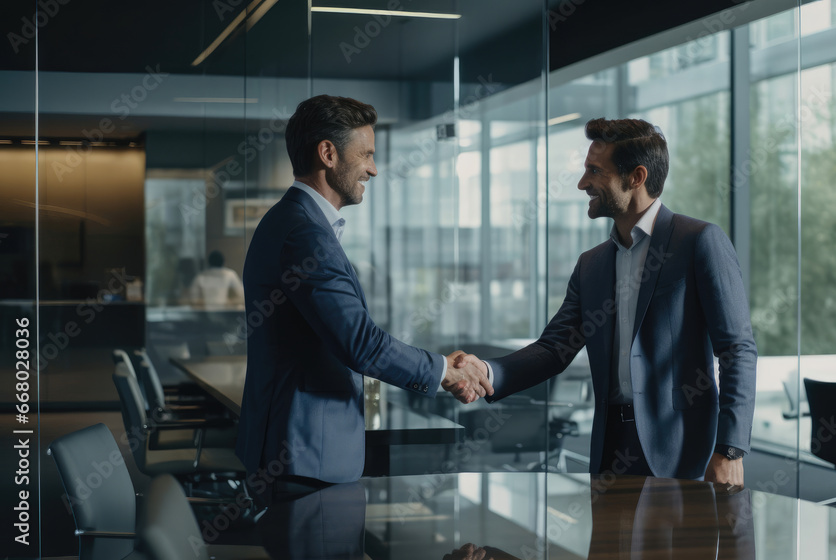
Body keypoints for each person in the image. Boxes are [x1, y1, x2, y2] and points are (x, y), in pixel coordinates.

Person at [457, 118, 756, 486]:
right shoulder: (592, 264)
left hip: (683, 451)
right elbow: (554, 349)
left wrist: (730, 450)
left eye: (594, 171)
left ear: (636, 177)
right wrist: (486, 373)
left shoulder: (699, 242)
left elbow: (737, 349)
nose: (583, 183)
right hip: (609, 450)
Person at [236, 95, 492, 499]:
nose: (373, 169)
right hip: (305, 455)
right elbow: (359, 342)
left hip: (295, 448)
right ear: (328, 154)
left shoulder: (293, 221)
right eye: (366, 154)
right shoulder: (305, 233)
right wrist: (444, 370)